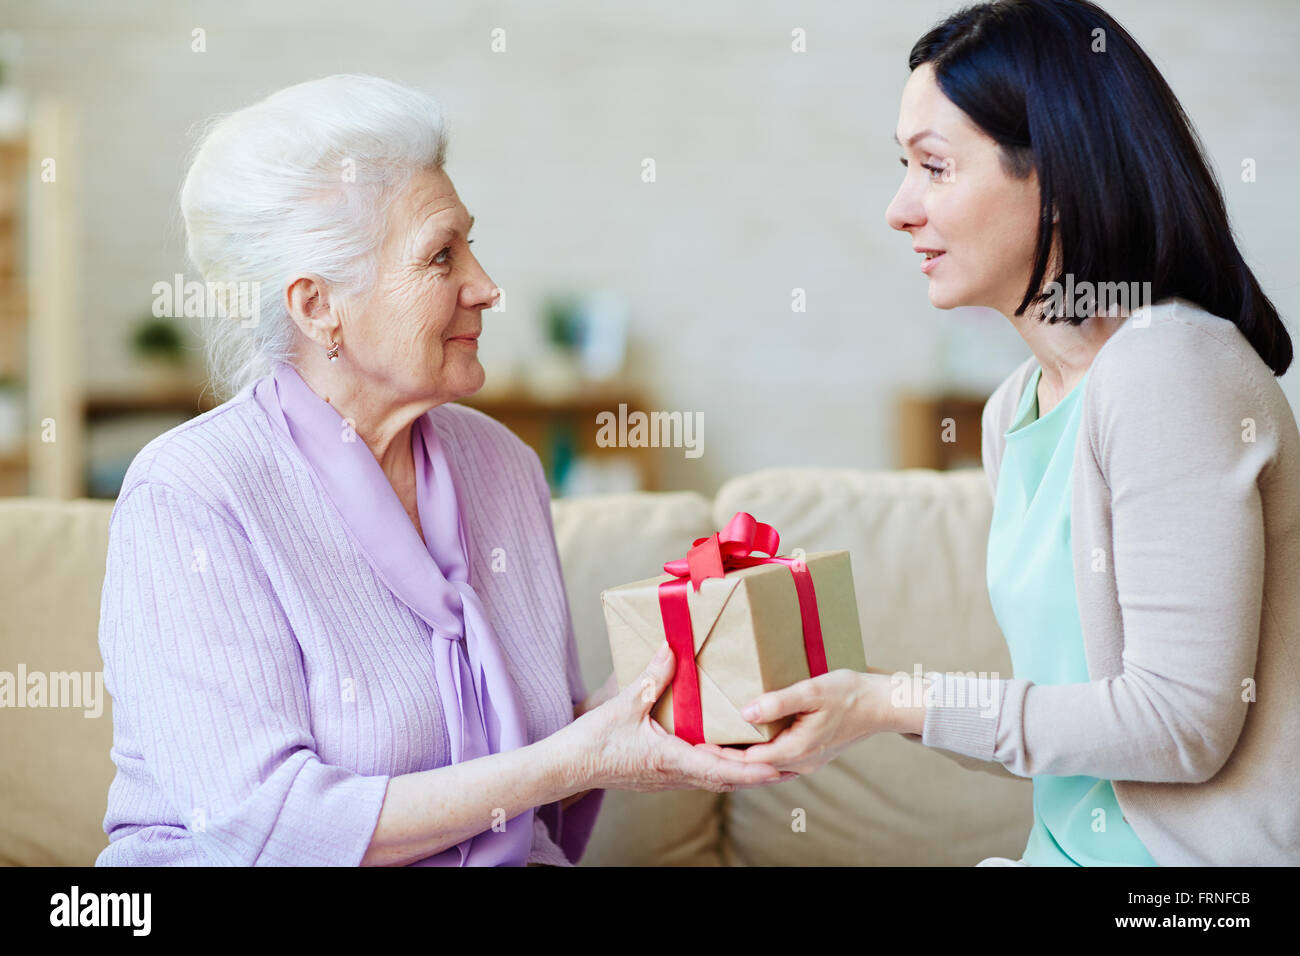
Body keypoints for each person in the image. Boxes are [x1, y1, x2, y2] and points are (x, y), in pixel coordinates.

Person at [95, 74, 789, 868]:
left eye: (471, 244)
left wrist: (648, 707)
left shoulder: (502, 466)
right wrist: (580, 755)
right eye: (440, 256)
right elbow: (265, 828)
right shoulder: (192, 494)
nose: (487, 288)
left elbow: (531, 765)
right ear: (318, 306)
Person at [717, 0, 1300, 866]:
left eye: (934, 168)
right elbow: (1081, 729)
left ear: (1056, 181)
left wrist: (891, 703)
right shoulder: (1016, 409)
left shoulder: (1167, 367)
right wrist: (858, 703)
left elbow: (1181, 727)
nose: (900, 209)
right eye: (903, 167)